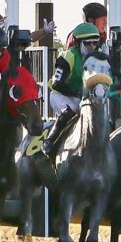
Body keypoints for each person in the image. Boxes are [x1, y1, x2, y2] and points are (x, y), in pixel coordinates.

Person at [43, 22, 103, 154]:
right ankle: (49, 141)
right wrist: (78, 92)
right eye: (88, 43)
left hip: (79, 97)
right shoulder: (68, 56)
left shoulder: (97, 57)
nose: (92, 47)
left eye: (95, 43)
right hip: (60, 95)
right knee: (68, 113)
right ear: (77, 43)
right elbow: (56, 84)